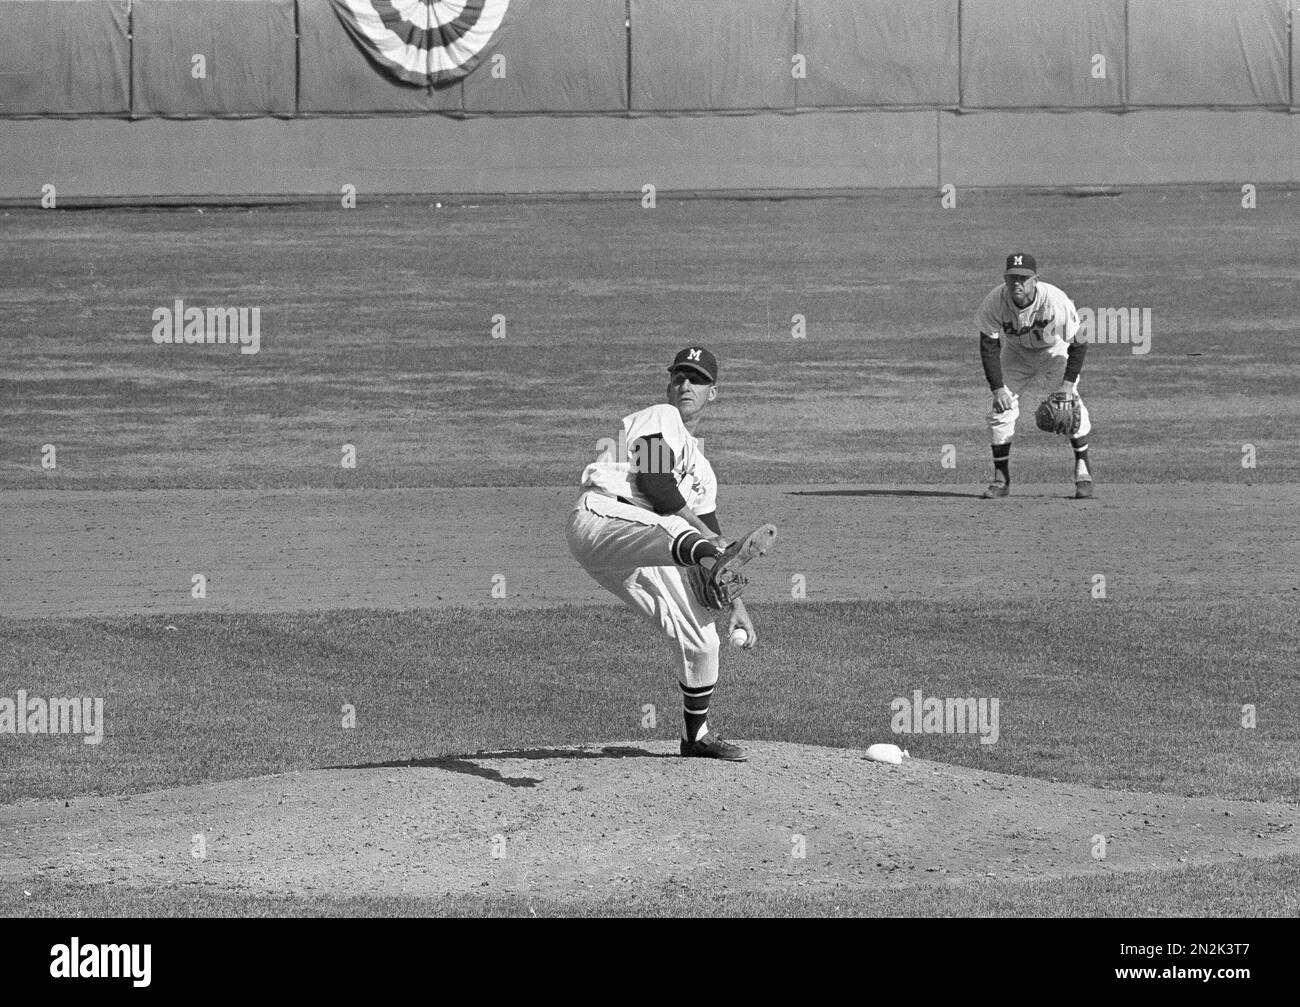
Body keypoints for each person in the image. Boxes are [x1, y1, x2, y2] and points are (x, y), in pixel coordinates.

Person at [565, 347, 777, 762]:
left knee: (702, 637)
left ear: (712, 393)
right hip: (602, 519)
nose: (685, 385)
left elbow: (714, 538)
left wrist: (737, 605)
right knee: (680, 529)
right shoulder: (660, 417)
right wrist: (708, 542)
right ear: (669, 385)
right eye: (679, 377)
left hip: (650, 548)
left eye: (696, 379)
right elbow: (656, 484)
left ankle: (695, 737)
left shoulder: (703, 474)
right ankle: (701, 555)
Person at [975, 253, 1094, 499]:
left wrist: (1068, 385)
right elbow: (988, 345)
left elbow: (1079, 342)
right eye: (1012, 278)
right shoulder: (995, 300)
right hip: (1016, 353)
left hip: (1053, 351)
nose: (1017, 283)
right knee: (1001, 408)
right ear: (1005, 279)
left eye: (1023, 278)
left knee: (1069, 406)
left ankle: (1083, 469)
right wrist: (997, 389)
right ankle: (1001, 479)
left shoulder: (1055, 301)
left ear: (1035, 280)